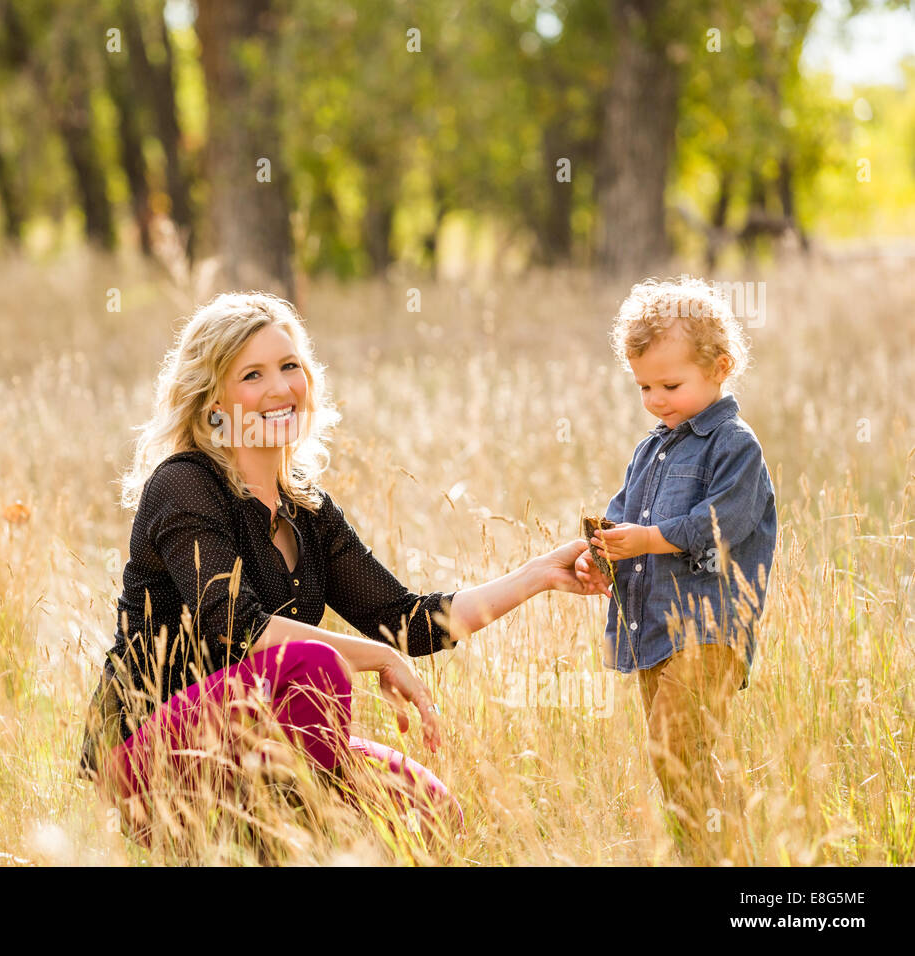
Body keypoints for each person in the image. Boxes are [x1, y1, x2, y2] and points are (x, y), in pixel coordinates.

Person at [78, 291, 601, 852]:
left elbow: (409, 622)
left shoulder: (309, 509)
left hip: (255, 754)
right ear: (212, 403)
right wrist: (377, 658)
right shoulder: (184, 484)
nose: (280, 389)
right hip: (148, 756)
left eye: (290, 366)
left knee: (430, 811)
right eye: (251, 375)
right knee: (312, 664)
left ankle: (293, 840)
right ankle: (287, 846)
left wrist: (541, 572)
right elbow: (241, 631)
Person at [576, 276, 777, 864]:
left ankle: (722, 856)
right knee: (676, 758)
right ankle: (716, 851)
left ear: (721, 366)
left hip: (710, 628)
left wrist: (647, 540)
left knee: (675, 740)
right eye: (643, 387)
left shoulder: (733, 444)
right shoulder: (651, 448)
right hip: (653, 629)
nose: (656, 399)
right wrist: (602, 554)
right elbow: (622, 517)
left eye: (670, 383)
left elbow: (722, 522)